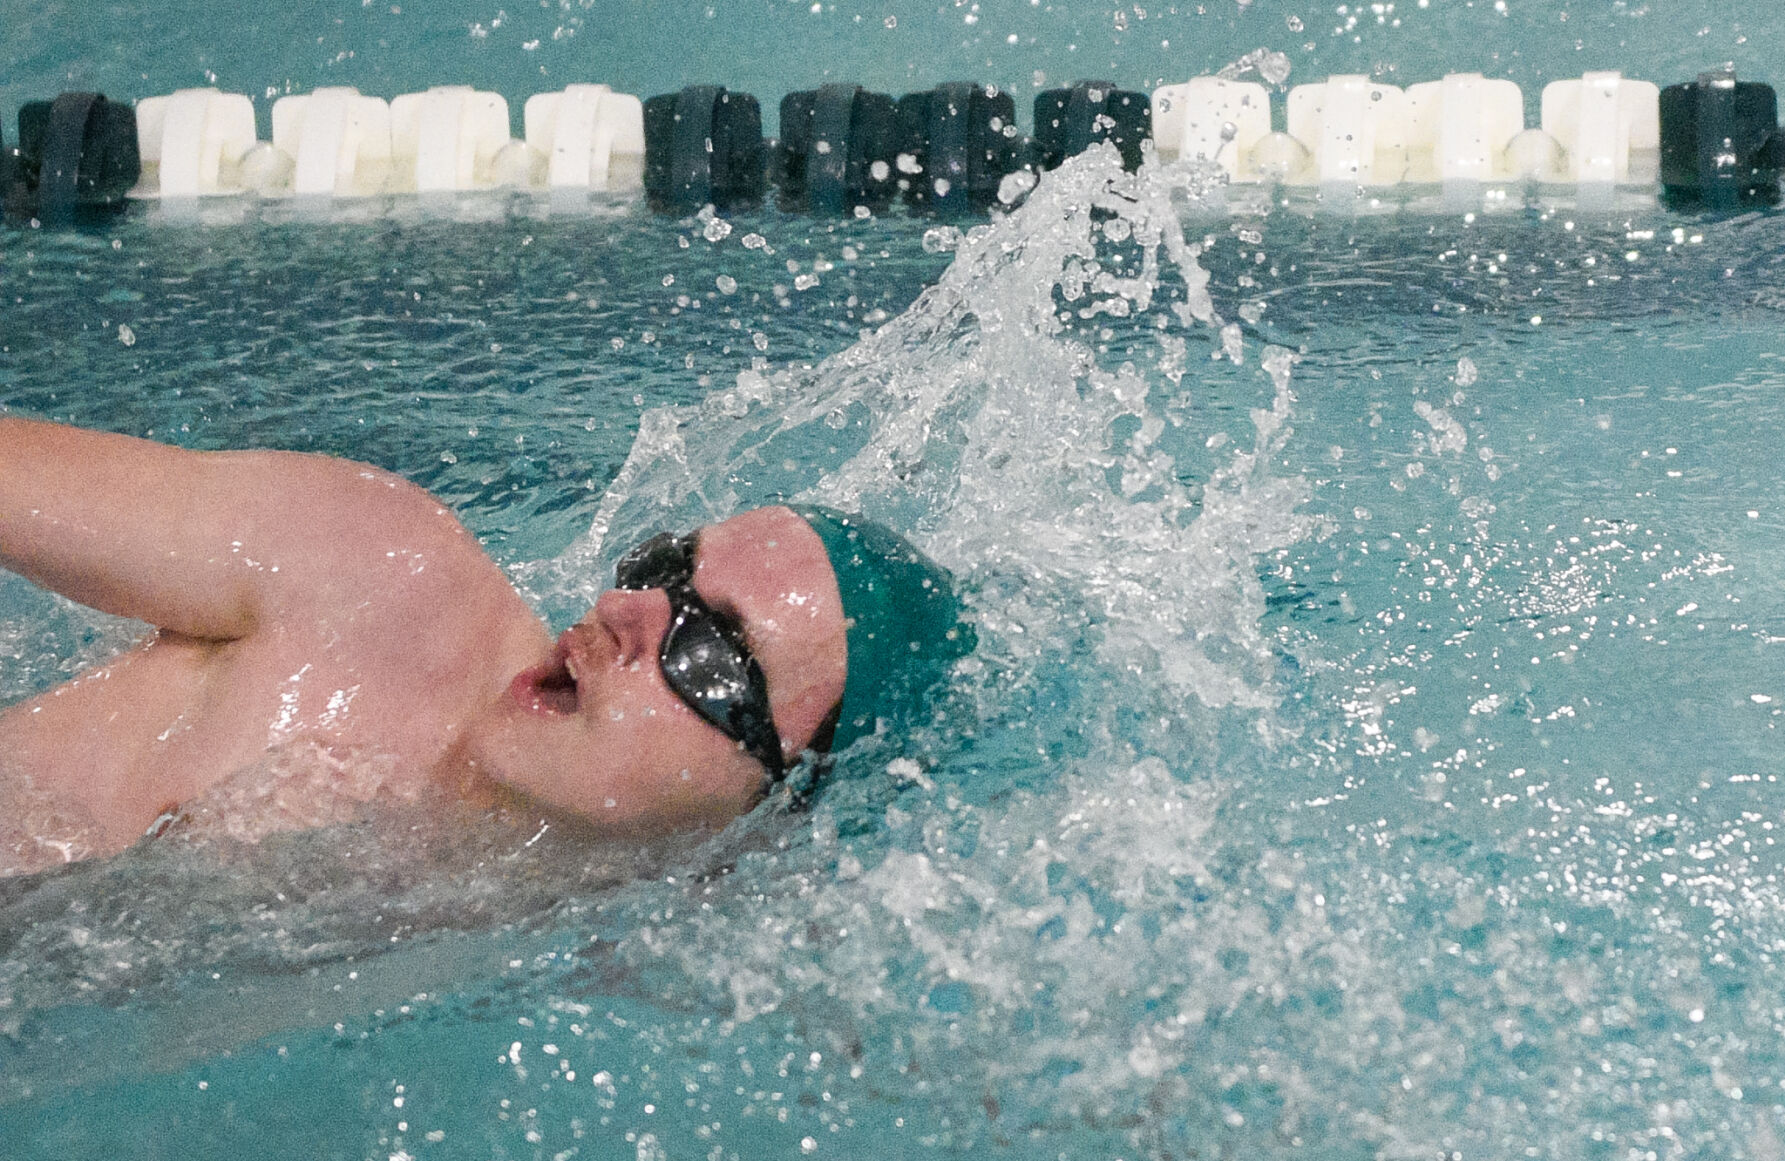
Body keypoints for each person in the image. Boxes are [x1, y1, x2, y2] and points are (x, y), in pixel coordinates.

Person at [0, 415, 970, 868]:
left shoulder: (640, 944)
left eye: (709, 644)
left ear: (780, 799)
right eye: (666, 566)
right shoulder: (373, 575)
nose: (628, 609)